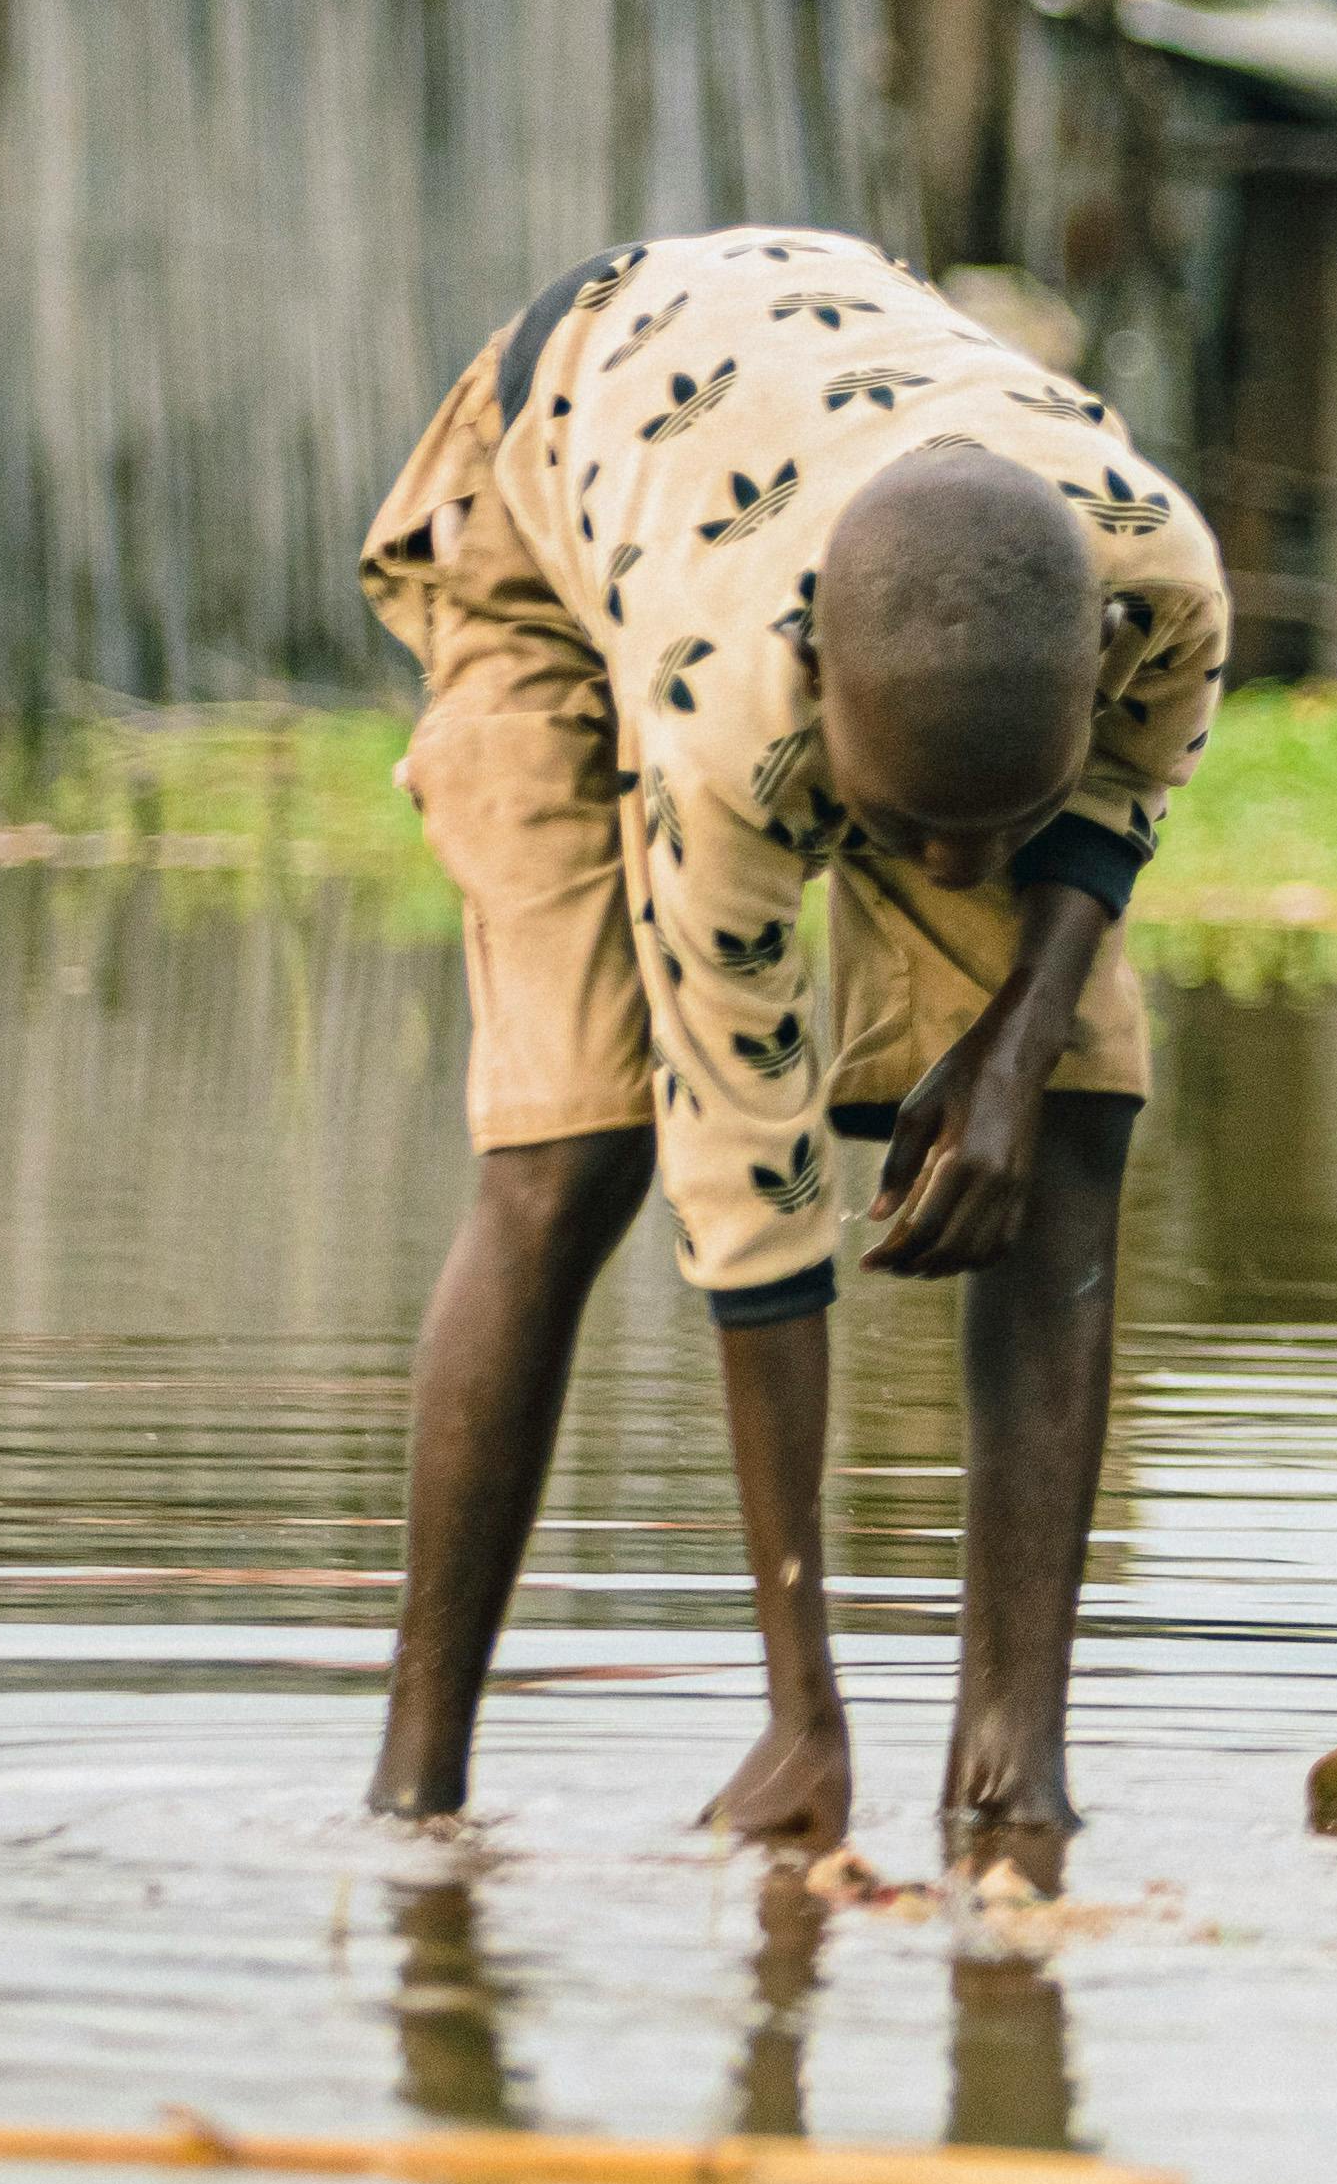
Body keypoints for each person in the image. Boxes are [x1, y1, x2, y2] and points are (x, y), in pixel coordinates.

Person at [359, 229, 1227, 1878]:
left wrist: (1018, 1039)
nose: (955, 875)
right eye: (911, 828)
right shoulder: (728, 718)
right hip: (562, 483)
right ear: (821, 693)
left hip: (857, 452)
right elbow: (746, 1172)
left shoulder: (1160, 579)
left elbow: (1125, 780)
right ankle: (419, 1794)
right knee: (573, 1143)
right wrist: (798, 1702)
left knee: (1069, 1111)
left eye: (1000, 824)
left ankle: (1014, 1768)